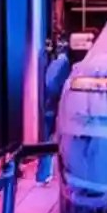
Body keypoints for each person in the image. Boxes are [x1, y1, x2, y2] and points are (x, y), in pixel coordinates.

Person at [39, 37, 72, 183]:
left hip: (48, 105)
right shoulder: (63, 63)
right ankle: (45, 174)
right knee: (52, 140)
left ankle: (44, 174)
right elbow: (55, 86)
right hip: (54, 106)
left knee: (48, 139)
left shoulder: (52, 61)